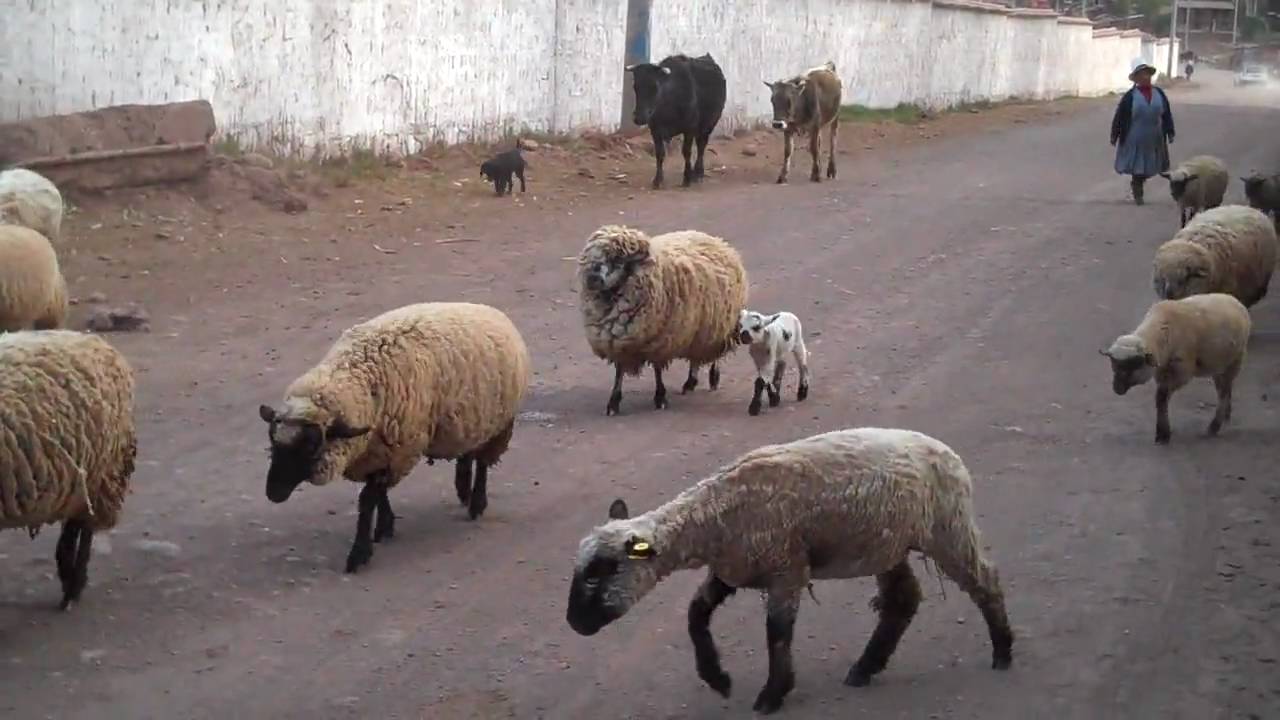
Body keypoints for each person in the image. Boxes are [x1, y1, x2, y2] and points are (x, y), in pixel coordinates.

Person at [1110, 59, 1175, 206]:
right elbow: (1120, 116)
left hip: (1155, 136)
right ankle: (1137, 189)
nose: (1145, 77)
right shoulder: (1130, 97)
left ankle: (1140, 182)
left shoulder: (1159, 94)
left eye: (1147, 74)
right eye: (1141, 75)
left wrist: (1170, 131)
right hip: (1135, 136)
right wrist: (1115, 134)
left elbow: (1166, 115)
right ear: (1136, 78)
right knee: (1138, 166)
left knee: (1151, 165)